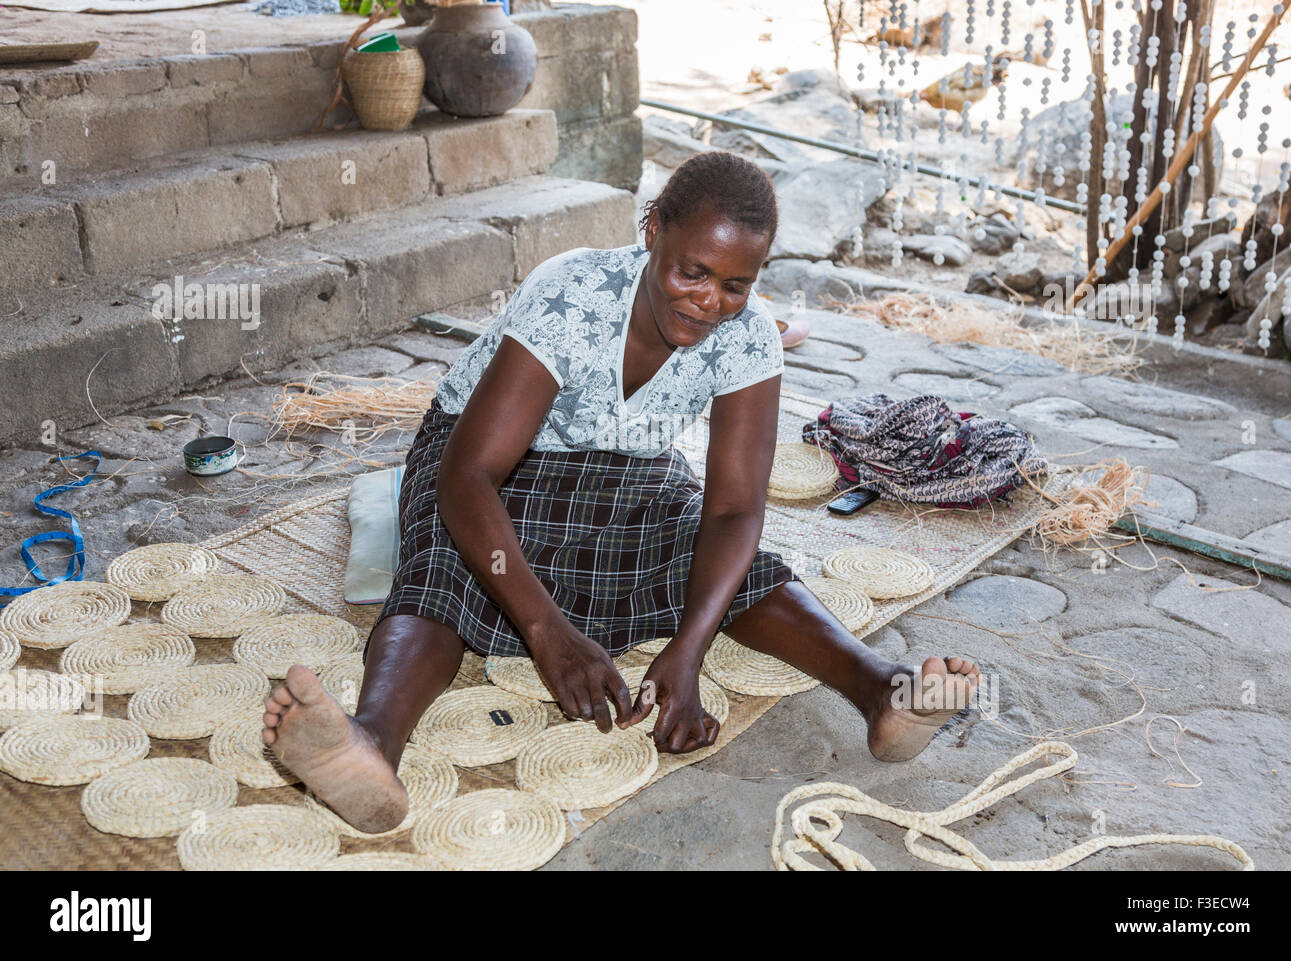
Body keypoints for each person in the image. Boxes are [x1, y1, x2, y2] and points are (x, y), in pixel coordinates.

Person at [261, 151, 980, 835]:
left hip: (624, 471)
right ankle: (372, 743)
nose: (710, 303)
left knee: (710, 545)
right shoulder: (573, 293)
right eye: (693, 271)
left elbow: (734, 510)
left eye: (737, 284)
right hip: (491, 469)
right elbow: (468, 477)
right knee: (447, 566)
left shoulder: (748, 337)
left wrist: (689, 651)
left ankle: (880, 689)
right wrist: (547, 634)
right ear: (652, 230)